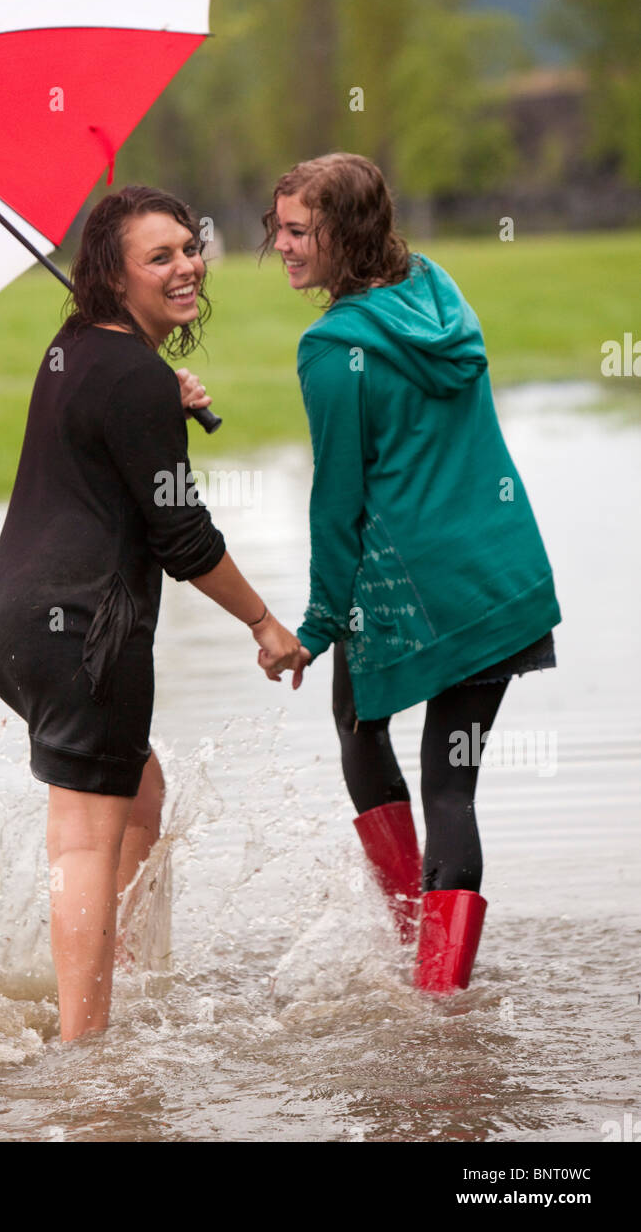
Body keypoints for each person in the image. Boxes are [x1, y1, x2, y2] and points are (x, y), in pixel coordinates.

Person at [0, 185, 300, 1042]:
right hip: (88, 630)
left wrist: (168, 407)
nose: (187, 265)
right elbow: (183, 540)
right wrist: (264, 621)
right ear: (114, 278)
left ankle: (126, 979)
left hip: (12, 624)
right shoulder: (133, 375)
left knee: (139, 794)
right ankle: (87, 1057)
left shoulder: (77, 346)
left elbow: (107, 436)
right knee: (84, 842)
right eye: (160, 257)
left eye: (190, 247)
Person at [261, 151, 561, 992]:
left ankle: (419, 966)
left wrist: (318, 624)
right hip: (501, 582)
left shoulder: (330, 348)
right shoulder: (440, 293)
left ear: (344, 234)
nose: (280, 245)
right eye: (275, 228)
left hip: (409, 592)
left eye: (297, 230)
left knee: (360, 729)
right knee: (452, 786)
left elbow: (338, 502)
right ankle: (439, 986)